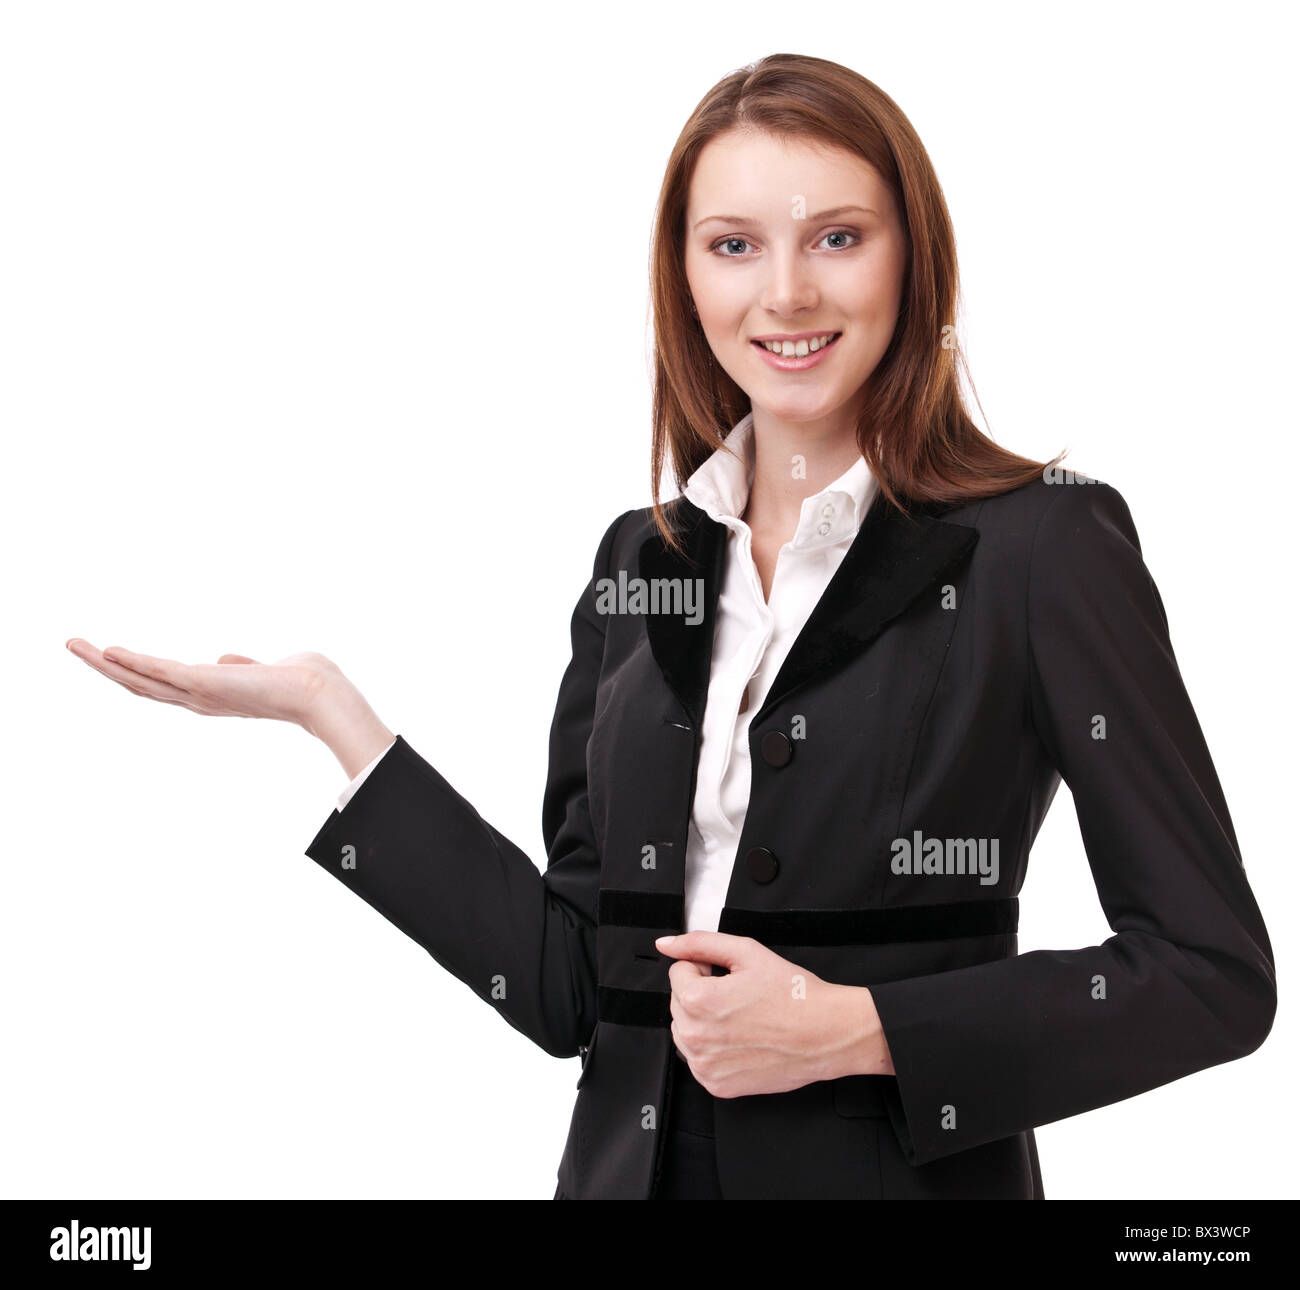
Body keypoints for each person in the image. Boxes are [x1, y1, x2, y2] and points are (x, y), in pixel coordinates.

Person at [67, 53, 1276, 1199]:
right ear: (684, 274)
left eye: (837, 238)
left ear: (913, 260)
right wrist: (338, 721)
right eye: (735, 245)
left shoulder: (1039, 546)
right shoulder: (637, 565)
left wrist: (860, 1032)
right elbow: (569, 990)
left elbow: (1210, 974)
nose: (785, 292)